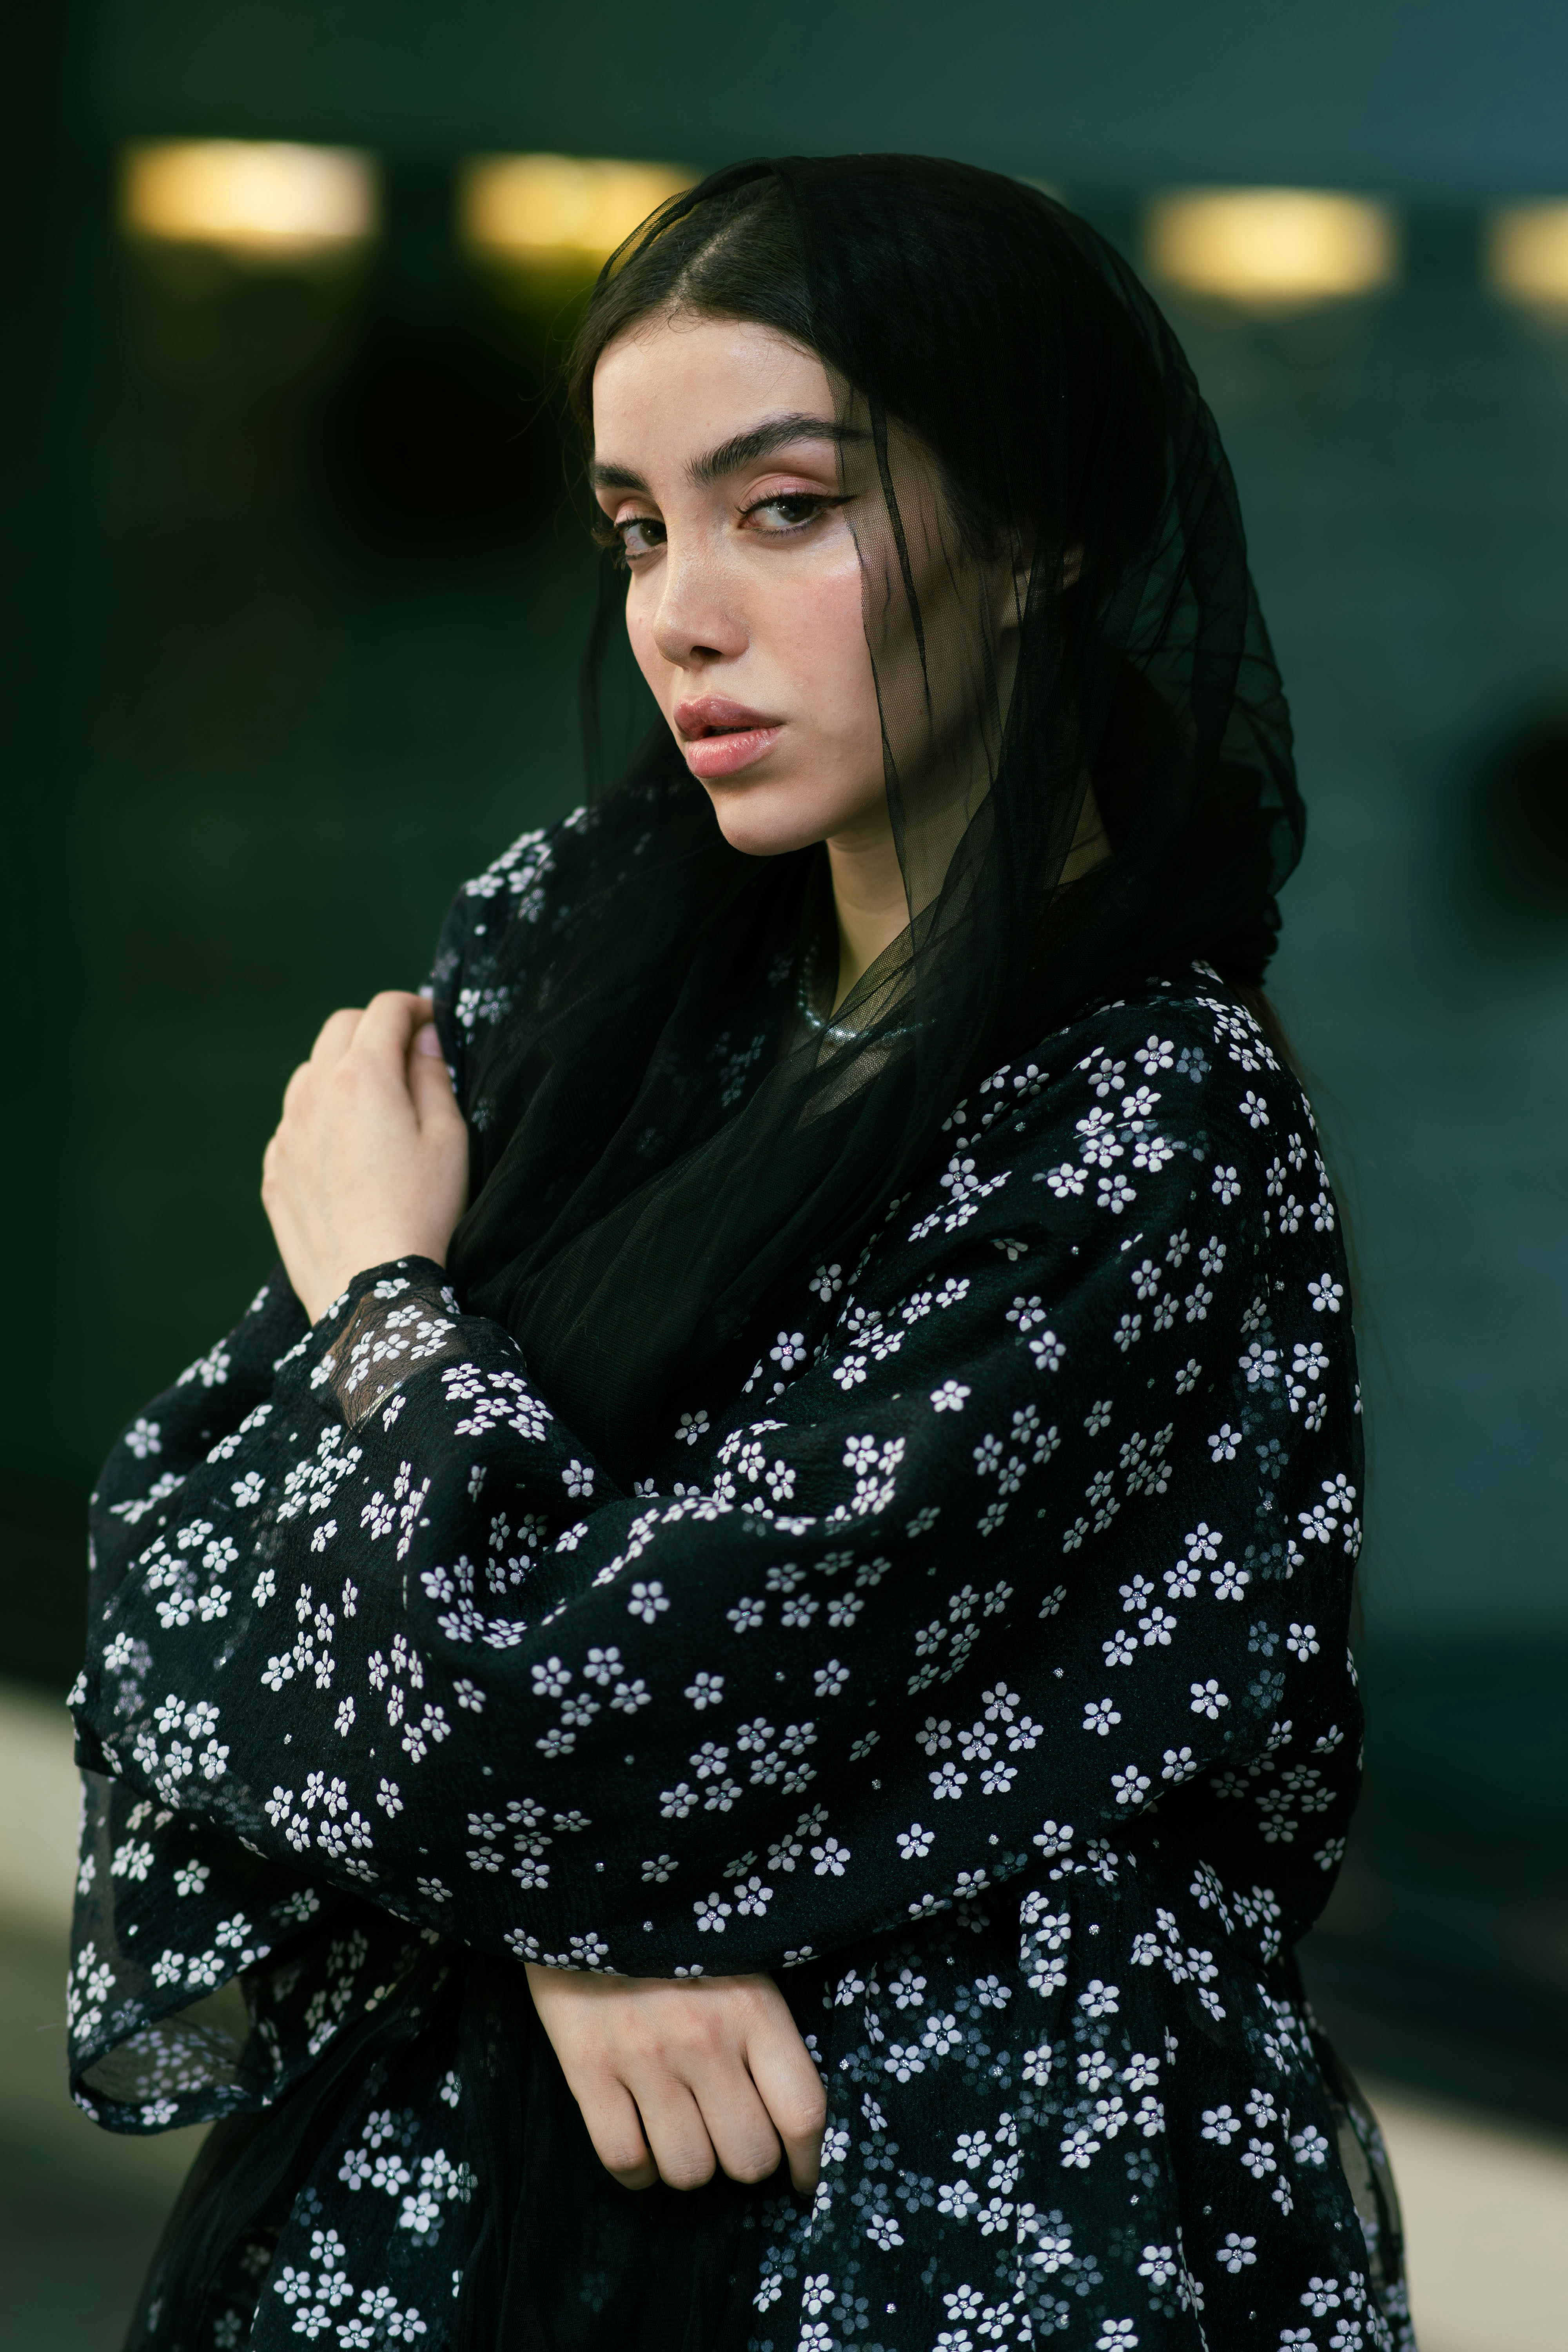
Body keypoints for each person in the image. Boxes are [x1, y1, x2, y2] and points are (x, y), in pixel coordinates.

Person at [68, 155, 1413, 2352]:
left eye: (785, 506)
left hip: (946, 2229)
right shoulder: (576, 954)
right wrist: (578, 1913)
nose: (682, 611)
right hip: (458, 2197)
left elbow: (569, 1715)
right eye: (637, 526)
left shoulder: (1140, 1113)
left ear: (1043, 530)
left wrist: (377, 1300)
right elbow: (165, 1572)